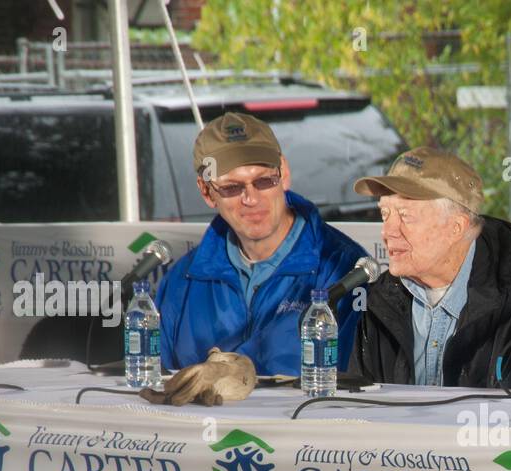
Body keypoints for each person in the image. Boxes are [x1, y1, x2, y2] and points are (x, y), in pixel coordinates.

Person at [155, 112, 367, 375]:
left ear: (284, 173)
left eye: (264, 181)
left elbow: (353, 390)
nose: (251, 198)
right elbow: (154, 387)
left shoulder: (343, 270)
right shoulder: (181, 281)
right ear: (206, 191)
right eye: (232, 187)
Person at [348, 147, 511, 389]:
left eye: (405, 216)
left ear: (456, 228)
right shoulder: (376, 303)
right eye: (385, 214)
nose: (387, 232)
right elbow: (360, 409)